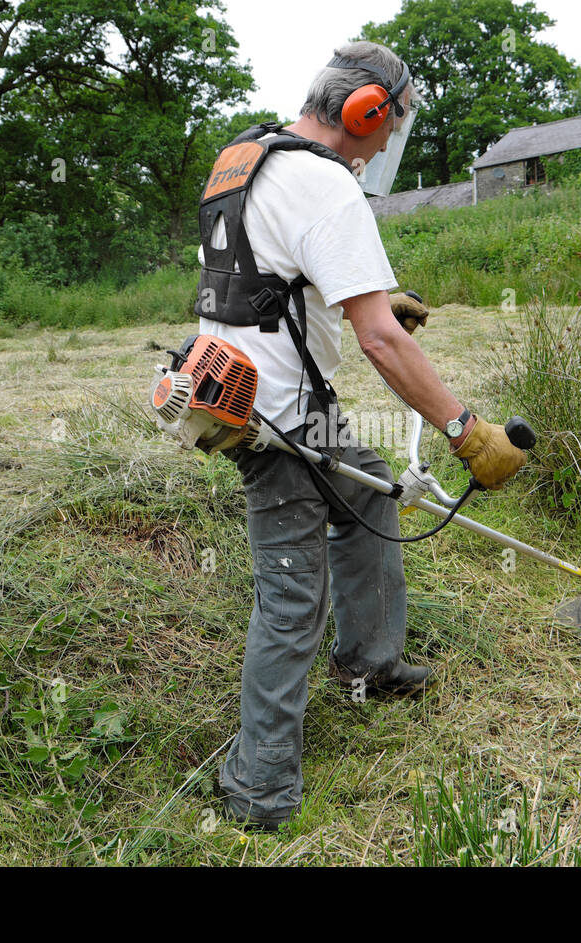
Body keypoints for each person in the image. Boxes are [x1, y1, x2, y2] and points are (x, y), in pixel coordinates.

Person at [193, 40, 526, 830]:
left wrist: (365, 293)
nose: (388, 140)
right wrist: (465, 429)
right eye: (392, 122)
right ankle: (260, 788)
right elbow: (381, 340)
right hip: (277, 422)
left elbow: (268, 269)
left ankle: (370, 664)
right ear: (366, 111)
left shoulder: (246, 158)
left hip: (252, 393)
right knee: (289, 599)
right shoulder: (325, 183)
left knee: (373, 495)